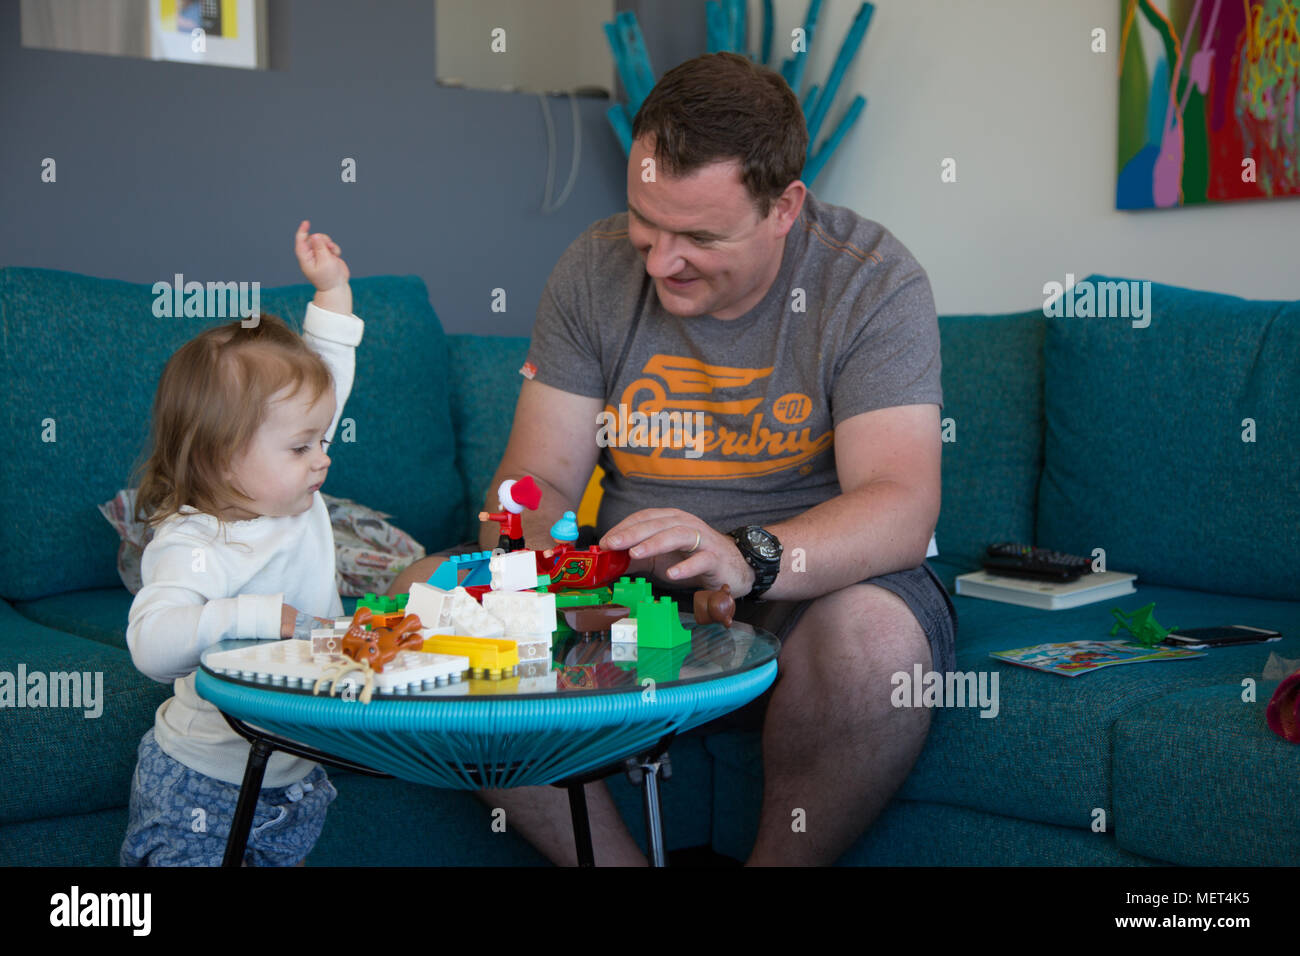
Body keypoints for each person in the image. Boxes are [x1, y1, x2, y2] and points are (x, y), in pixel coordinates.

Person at [391, 52, 956, 866]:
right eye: (646, 222)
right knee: (421, 598)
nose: (659, 262)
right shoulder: (593, 268)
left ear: (784, 208)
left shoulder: (871, 282)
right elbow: (534, 480)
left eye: (697, 236)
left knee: (873, 642)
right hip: (628, 587)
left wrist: (746, 559)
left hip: (812, 587)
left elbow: (900, 502)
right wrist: (553, 573)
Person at [120, 221, 361, 866]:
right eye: (302, 447)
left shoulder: (291, 487)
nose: (322, 457)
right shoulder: (195, 540)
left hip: (294, 773)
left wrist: (332, 291)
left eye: (321, 440)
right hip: (203, 783)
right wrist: (256, 616)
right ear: (223, 458)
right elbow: (151, 643)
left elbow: (324, 381)